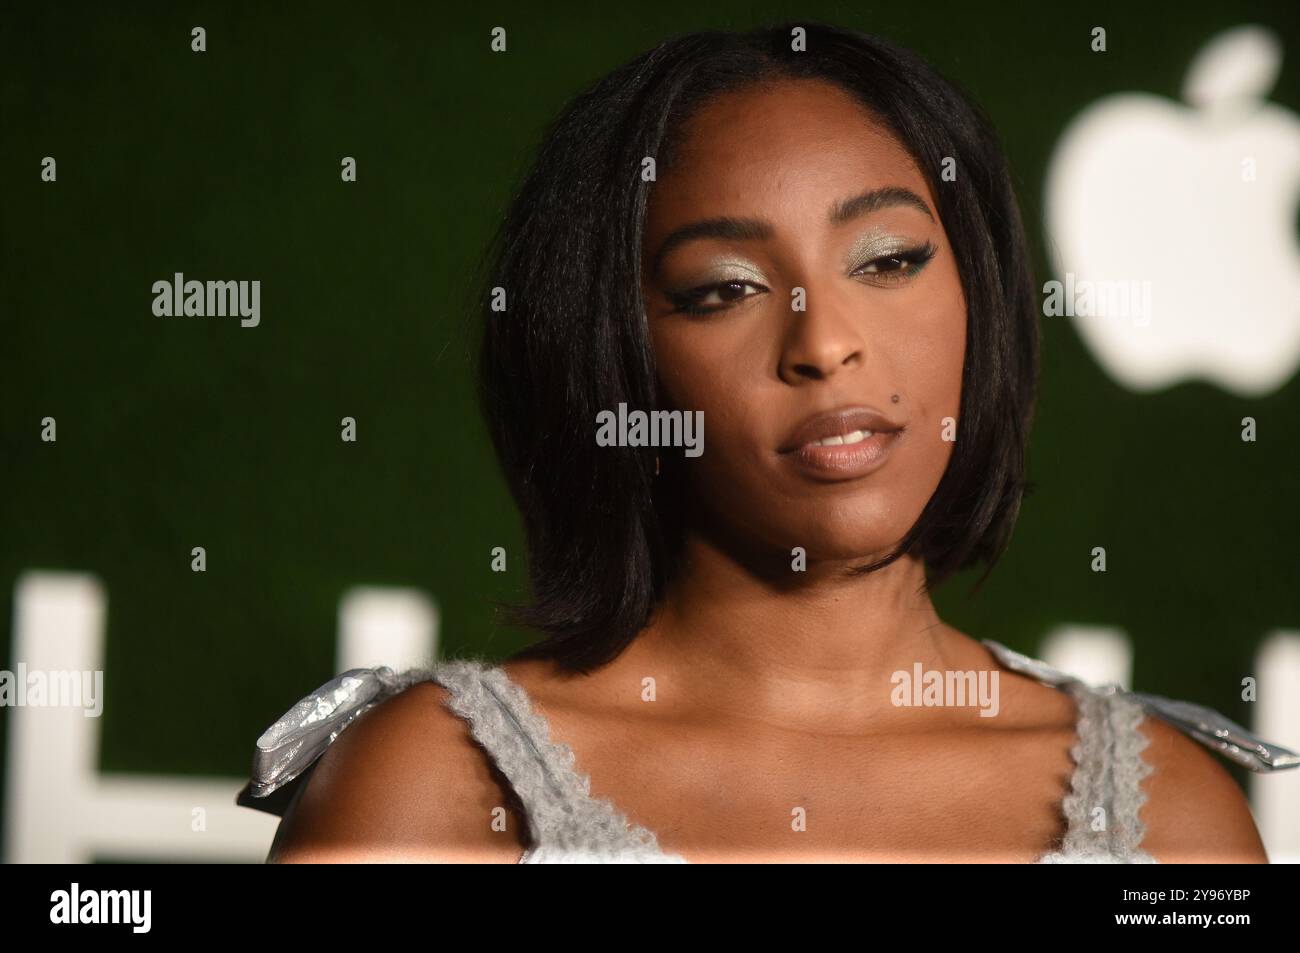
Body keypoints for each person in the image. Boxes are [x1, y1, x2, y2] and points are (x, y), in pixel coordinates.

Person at [236, 21, 1294, 863]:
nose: (825, 342)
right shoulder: (437, 788)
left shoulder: (1170, 818)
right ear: (614, 356)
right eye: (724, 288)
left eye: (887, 259)